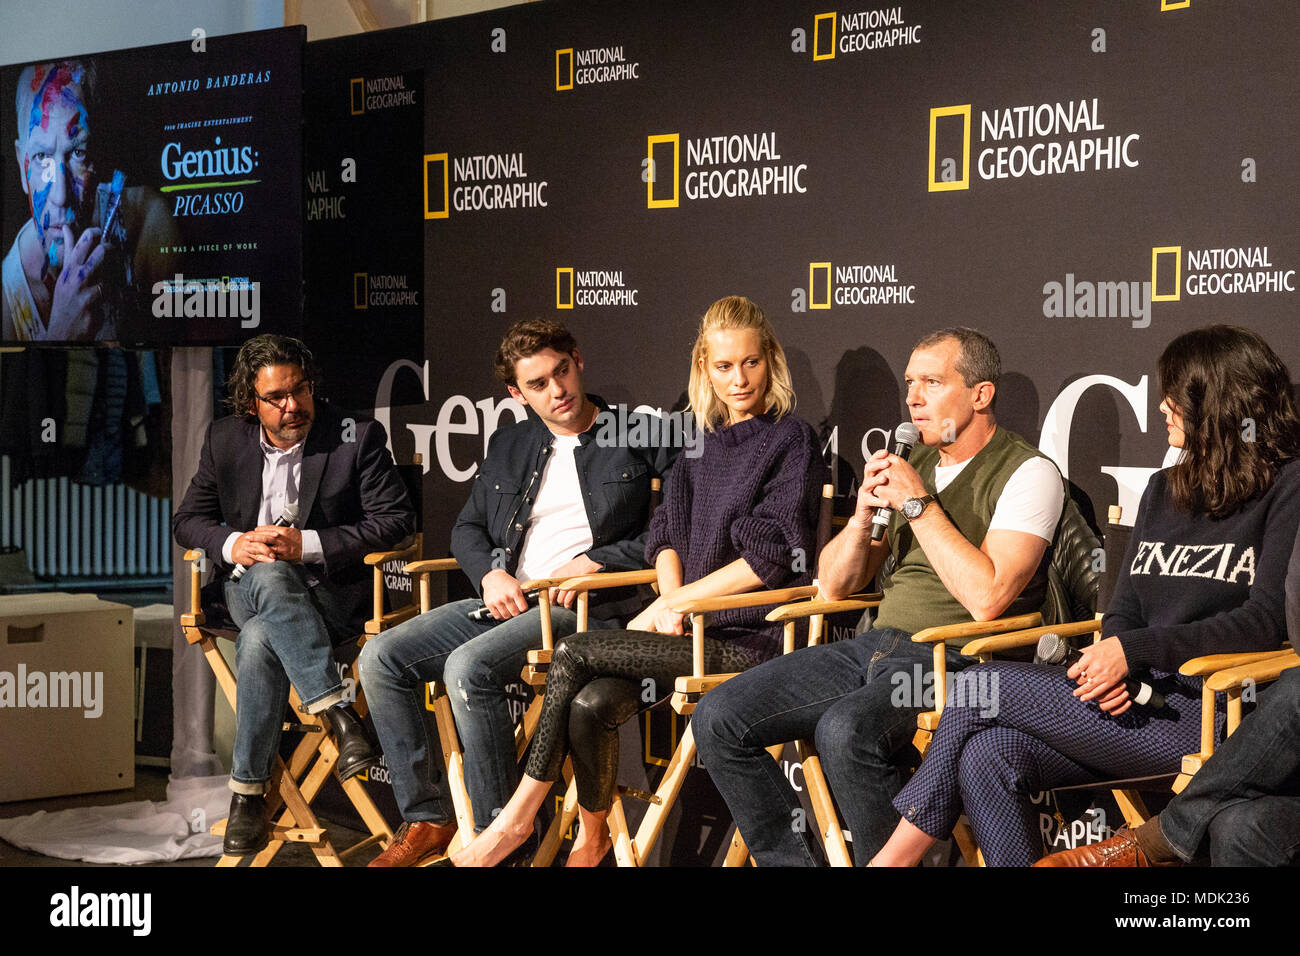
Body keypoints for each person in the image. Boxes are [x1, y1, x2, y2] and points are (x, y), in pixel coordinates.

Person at [870, 325, 1300, 867]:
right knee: (987, 753)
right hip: (1131, 697)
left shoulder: (1287, 485)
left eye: (1176, 393)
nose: (1163, 405)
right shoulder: (1164, 489)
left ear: (1217, 402)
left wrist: (1134, 654)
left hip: (1214, 711)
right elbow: (1122, 608)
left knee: (978, 684)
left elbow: (1264, 621)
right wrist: (1118, 662)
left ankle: (891, 862)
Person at [444, 295, 822, 867]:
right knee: (589, 706)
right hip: (685, 631)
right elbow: (663, 535)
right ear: (703, 368)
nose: (738, 378)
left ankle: (513, 824)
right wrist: (673, 601)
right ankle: (593, 843)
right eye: (723, 366)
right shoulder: (698, 442)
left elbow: (769, 563)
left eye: (750, 362)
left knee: (572, 651)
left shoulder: (789, 439)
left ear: (770, 361)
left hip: (749, 639)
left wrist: (676, 604)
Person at [691, 327, 1065, 866]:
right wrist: (864, 517)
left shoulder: (1028, 473)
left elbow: (989, 598)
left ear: (981, 394)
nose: (913, 398)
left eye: (932, 383)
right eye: (911, 383)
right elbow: (835, 585)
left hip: (955, 659)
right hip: (875, 644)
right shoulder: (917, 466)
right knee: (720, 715)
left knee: (845, 732)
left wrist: (918, 504)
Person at [358, 318, 674, 866]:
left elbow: (679, 525)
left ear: (578, 360)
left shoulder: (633, 431)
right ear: (516, 393)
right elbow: (467, 529)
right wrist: (490, 574)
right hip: (510, 598)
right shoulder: (511, 441)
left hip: (584, 611)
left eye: (562, 372)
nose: (557, 392)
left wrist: (600, 560)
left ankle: (498, 836)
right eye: (538, 384)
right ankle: (428, 816)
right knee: (379, 657)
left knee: (467, 668)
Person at [173, 333, 415, 856]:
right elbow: (187, 521)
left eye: (300, 391)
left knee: (261, 636)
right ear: (250, 402)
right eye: (276, 397)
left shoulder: (357, 435)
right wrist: (237, 543)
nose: (292, 406)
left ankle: (246, 797)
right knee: (264, 575)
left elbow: (396, 521)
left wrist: (304, 544)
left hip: (329, 598)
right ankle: (337, 714)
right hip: (244, 588)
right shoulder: (225, 438)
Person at [1035, 663, 1299, 867]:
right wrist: (1120, 654)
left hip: (1193, 696)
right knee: (1237, 826)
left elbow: (1260, 620)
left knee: (995, 681)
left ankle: (1156, 841)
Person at [3, 59, 176, 342]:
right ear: (23, 169)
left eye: (78, 154)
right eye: (41, 157)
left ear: (99, 157)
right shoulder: (6, 296)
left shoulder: (148, 224)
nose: (60, 196)